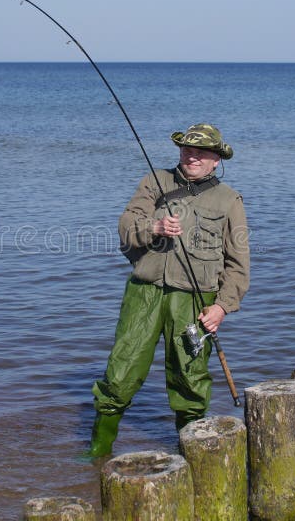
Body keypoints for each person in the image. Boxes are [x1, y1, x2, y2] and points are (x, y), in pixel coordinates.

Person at [87, 123, 250, 457]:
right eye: (187, 150)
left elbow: (238, 263)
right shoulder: (154, 181)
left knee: (190, 381)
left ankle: (192, 456)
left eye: (202, 152)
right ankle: (97, 454)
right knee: (120, 374)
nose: (193, 157)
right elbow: (125, 226)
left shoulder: (229, 200)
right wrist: (154, 226)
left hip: (194, 302)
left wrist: (221, 307)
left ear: (216, 159)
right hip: (144, 294)